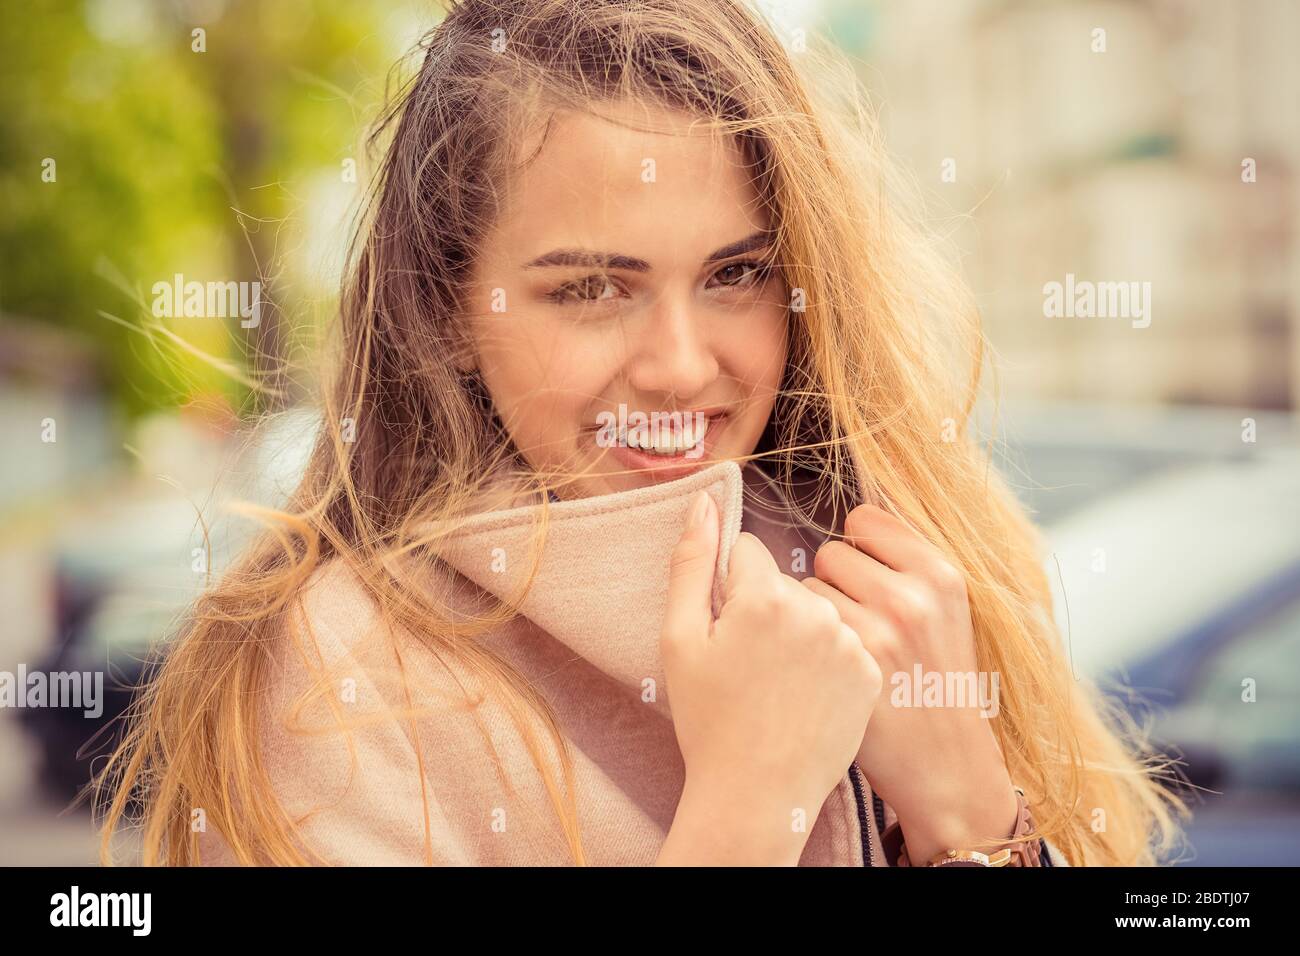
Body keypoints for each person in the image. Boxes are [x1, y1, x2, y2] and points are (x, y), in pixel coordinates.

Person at [98, 0, 1188, 866]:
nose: (678, 362)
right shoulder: (332, 682)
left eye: (736, 274)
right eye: (589, 289)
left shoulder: (895, 590)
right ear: (446, 312)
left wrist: (972, 825)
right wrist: (749, 804)